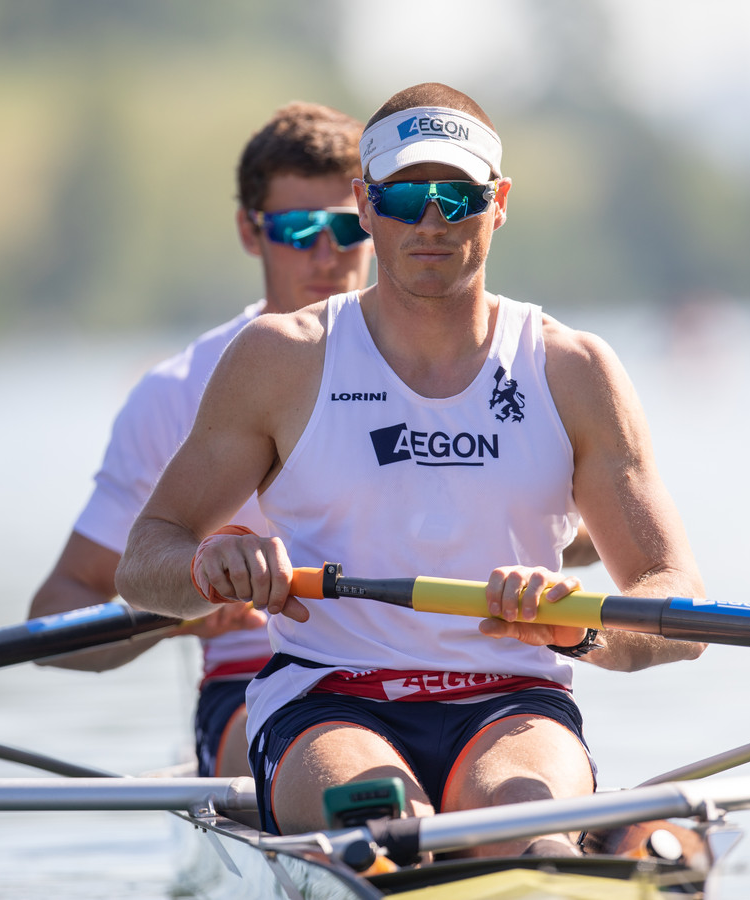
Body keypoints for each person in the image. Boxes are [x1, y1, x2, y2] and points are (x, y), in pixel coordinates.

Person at [115, 83, 705, 854]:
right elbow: (143, 562)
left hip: (514, 703)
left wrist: (584, 629)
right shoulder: (282, 359)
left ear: (498, 203)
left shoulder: (574, 370)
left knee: (525, 823)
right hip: (328, 701)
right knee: (387, 820)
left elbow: (678, 606)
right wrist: (208, 568)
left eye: (456, 196)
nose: (430, 220)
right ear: (365, 204)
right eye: (403, 195)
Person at [27, 101, 376, 778]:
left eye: (345, 227)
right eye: (298, 229)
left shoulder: (433, 371)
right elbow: (56, 613)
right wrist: (180, 605)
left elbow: (570, 532)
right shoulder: (175, 394)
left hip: (436, 675)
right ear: (250, 230)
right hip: (257, 687)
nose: (327, 255)